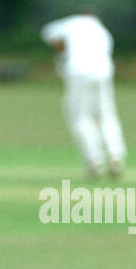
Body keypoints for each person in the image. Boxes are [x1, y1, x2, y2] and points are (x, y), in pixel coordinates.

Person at [41, 11, 126, 178]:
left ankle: (94, 160)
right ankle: (116, 155)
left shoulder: (72, 23)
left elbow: (48, 32)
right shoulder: (103, 31)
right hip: (103, 74)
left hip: (79, 73)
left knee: (81, 118)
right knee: (106, 116)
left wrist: (60, 48)